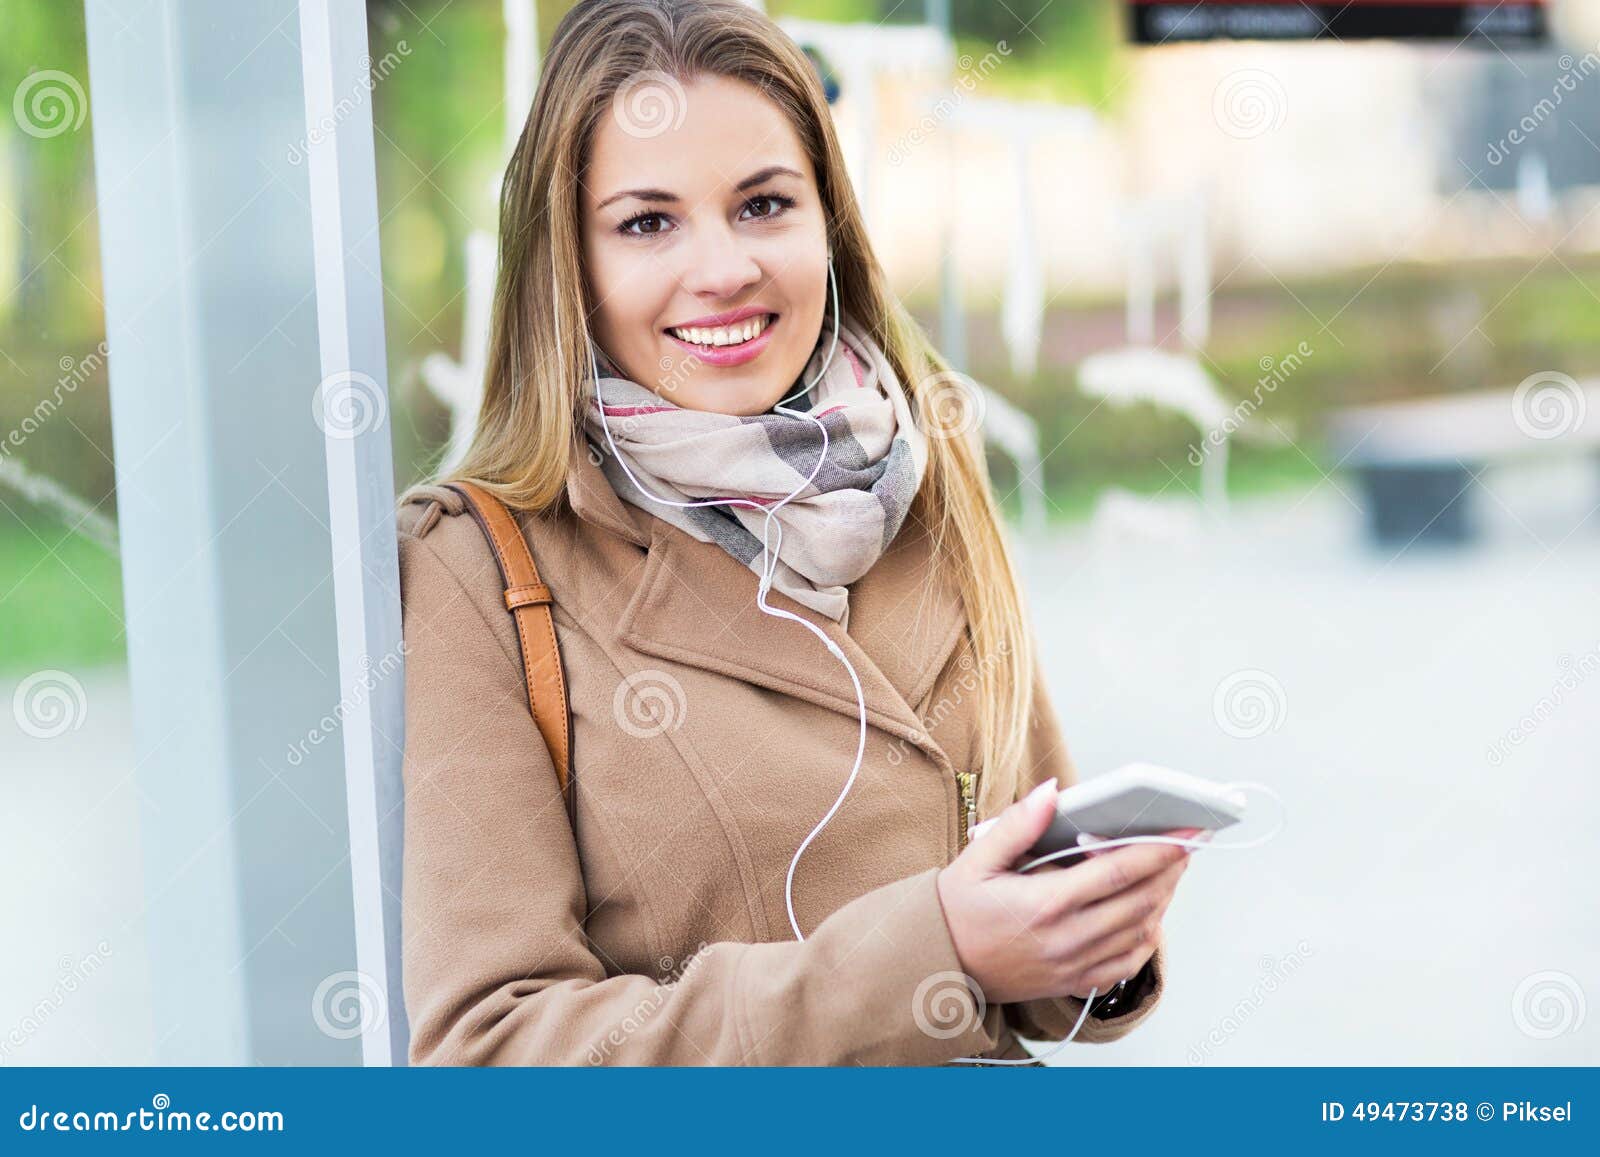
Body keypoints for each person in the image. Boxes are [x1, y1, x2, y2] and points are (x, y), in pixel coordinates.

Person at [395, 0, 1196, 1066]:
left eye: (764, 204)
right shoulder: (477, 565)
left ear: (829, 222)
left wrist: (1087, 938)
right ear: (567, 263)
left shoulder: (922, 467)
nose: (724, 268)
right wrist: (936, 953)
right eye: (647, 223)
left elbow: (1024, 925)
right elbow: (490, 1055)